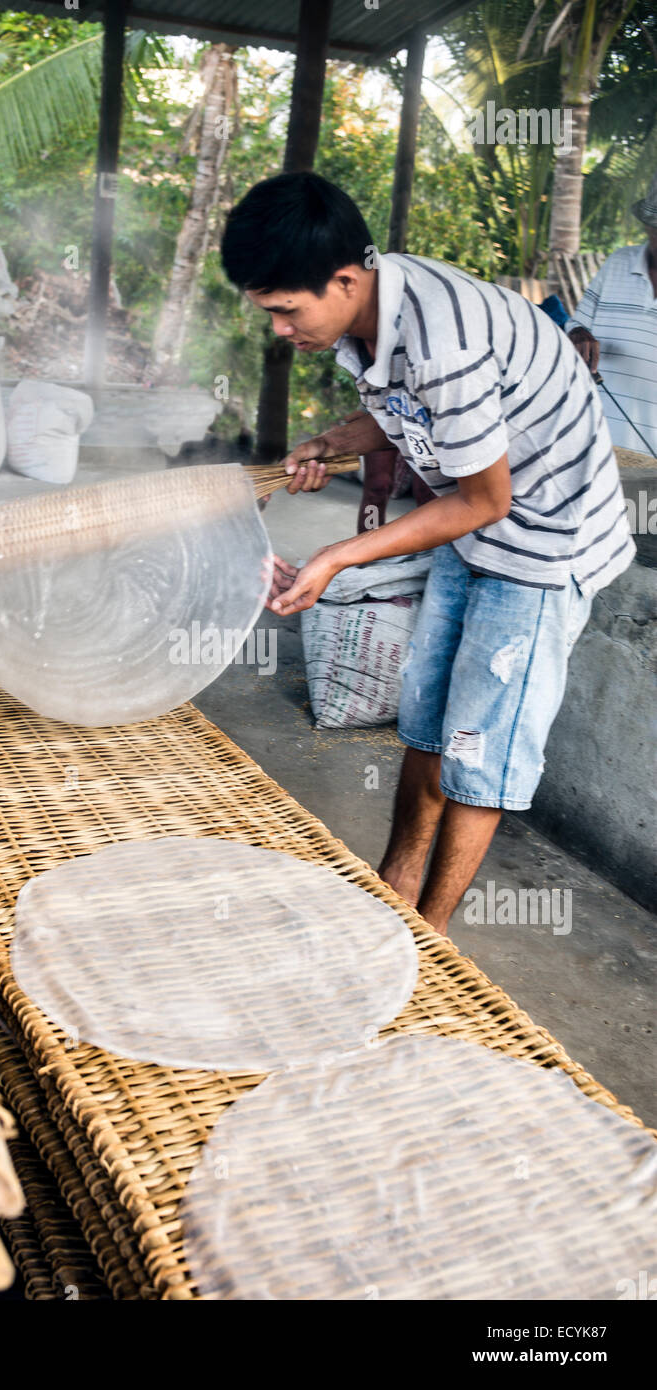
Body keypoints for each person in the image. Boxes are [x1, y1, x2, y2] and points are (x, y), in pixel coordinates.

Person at [220, 172, 635, 935]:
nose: (279, 329)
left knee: (482, 748)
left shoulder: (445, 339)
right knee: (430, 716)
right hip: (474, 520)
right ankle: (395, 887)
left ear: (345, 279)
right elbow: (405, 414)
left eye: (285, 310)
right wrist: (329, 444)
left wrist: (340, 556)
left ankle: (428, 935)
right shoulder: (371, 309)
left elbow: (486, 498)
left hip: (545, 541)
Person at [566, 170, 657, 454]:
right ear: (647, 227)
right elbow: (574, 326)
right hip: (596, 442)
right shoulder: (618, 263)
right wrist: (578, 333)